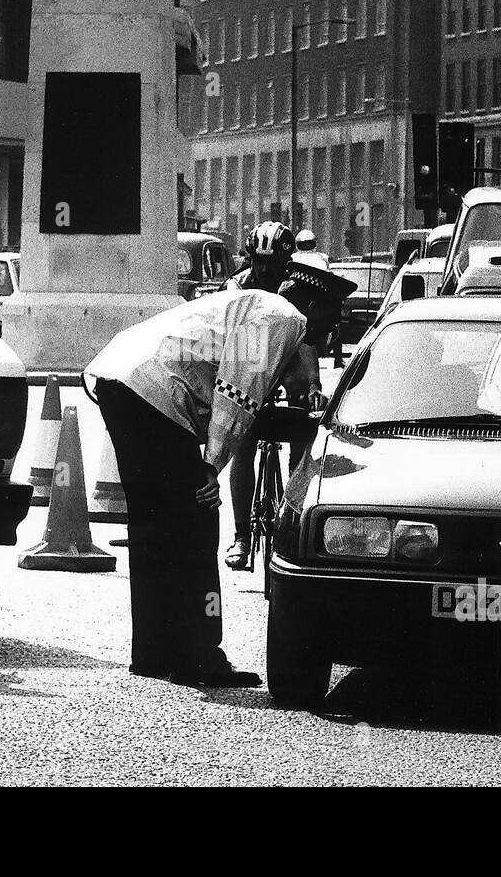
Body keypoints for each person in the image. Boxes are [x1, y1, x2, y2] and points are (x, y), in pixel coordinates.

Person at [85, 262, 355, 686]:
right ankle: (200, 655)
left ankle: (155, 651)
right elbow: (236, 394)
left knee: (154, 527)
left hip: (123, 380)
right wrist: (210, 468)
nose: (334, 329)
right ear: (314, 305)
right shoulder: (283, 317)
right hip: (155, 391)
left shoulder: (260, 306)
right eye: (333, 317)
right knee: (197, 521)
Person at [221, 222, 323, 569]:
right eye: (258, 261)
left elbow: (307, 343)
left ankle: (291, 516)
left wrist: (312, 387)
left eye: (272, 263)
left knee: (303, 425)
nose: (264, 269)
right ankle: (240, 537)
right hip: (249, 359)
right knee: (244, 444)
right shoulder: (237, 285)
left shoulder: (296, 287)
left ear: (286, 261)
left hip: (289, 357)